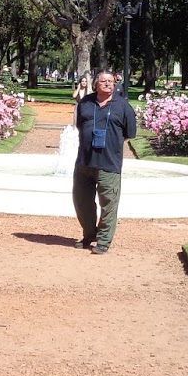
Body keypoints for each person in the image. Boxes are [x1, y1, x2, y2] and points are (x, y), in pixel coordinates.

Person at [73, 69, 136, 254]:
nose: (108, 84)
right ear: (96, 84)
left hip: (109, 163)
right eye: (103, 81)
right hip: (84, 162)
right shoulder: (85, 103)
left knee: (108, 204)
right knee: (81, 202)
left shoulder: (123, 106)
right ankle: (89, 234)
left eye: (111, 81)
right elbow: (79, 126)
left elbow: (129, 134)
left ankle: (103, 241)